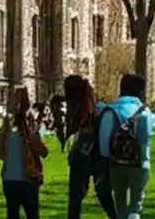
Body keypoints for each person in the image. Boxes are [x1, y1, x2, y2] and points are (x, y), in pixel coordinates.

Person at [98, 73, 155, 219]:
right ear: (141, 92)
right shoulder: (144, 111)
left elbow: (104, 143)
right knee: (135, 206)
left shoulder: (110, 111)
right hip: (140, 164)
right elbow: (145, 140)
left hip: (117, 164)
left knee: (120, 204)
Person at [62, 75, 117, 219]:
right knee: (100, 193)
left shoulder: (87, 109)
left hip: (89, 155)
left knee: (80, 197)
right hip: (90, 155)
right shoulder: (89, 109)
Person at [0, 87, 50, 219]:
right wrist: (6, 128)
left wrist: (29, 133)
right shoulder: (6, 127)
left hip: (28, 179)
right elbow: (0, 151)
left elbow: (43, 152)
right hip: (11, 180)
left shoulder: (30, 127)